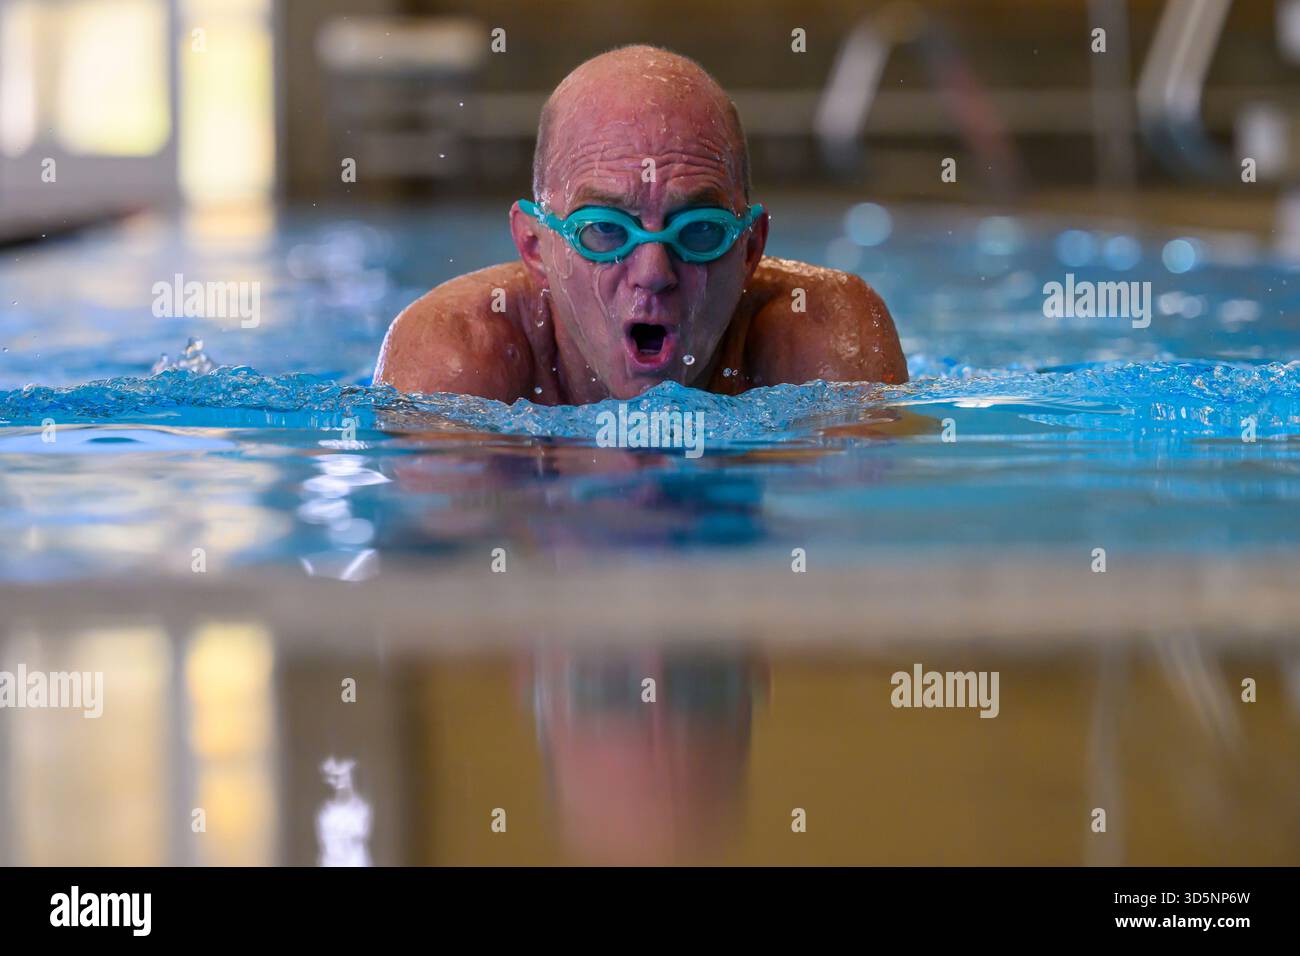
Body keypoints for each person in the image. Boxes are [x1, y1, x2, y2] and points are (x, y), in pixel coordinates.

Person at [375, 45, 906, 405]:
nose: (653, 272)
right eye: (604, 230)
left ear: (749, 251)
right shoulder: (454, 363)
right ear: (535, 247)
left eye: (698, 229)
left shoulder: (825, 341)